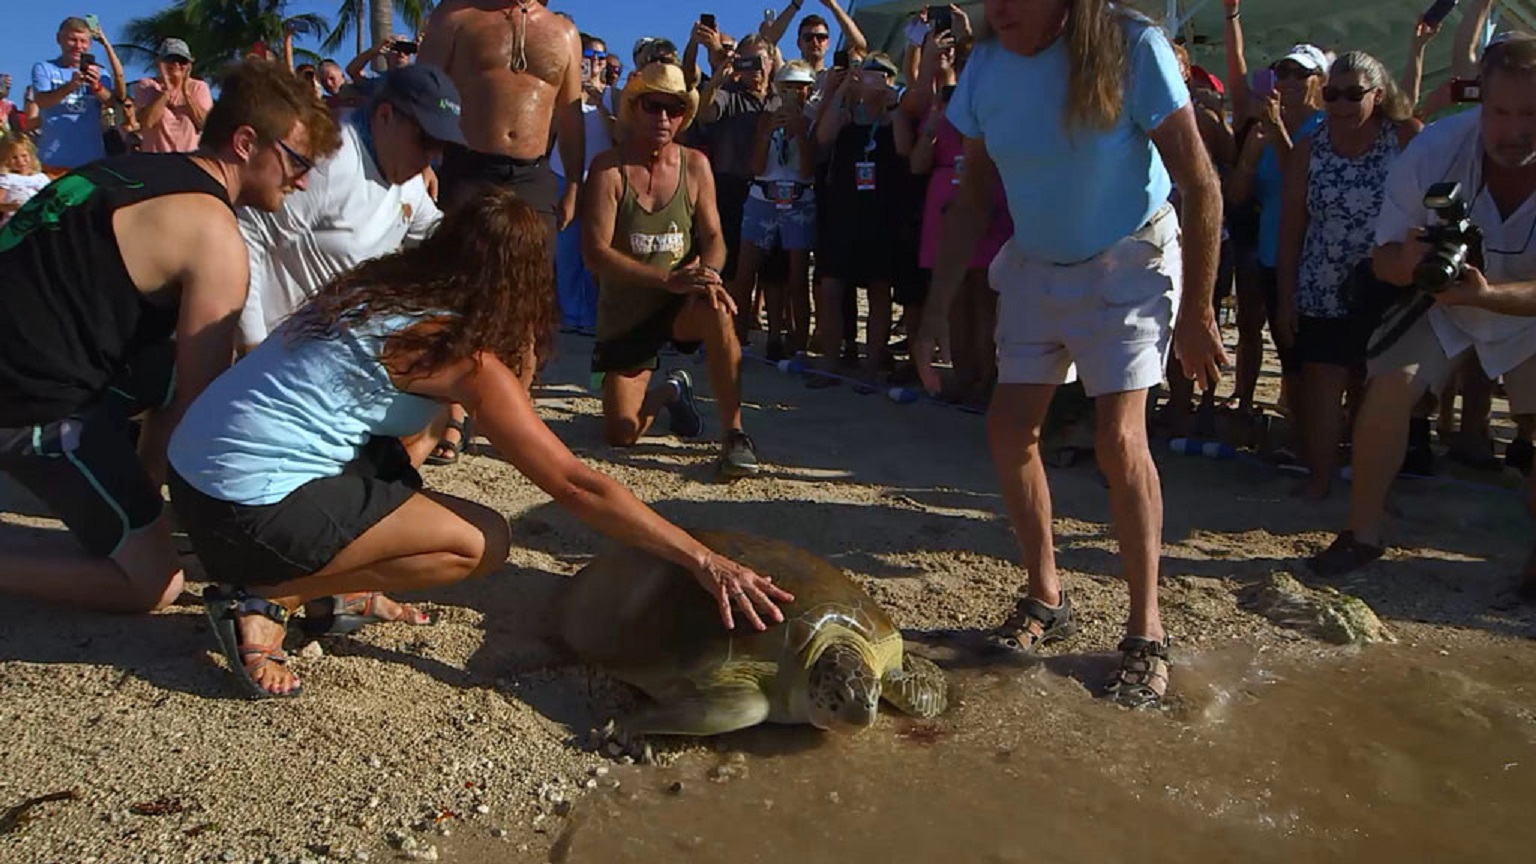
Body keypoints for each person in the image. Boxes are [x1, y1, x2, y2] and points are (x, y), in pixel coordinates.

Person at [167, 188, 793, 698]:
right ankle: (267, 595)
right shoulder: (456, 353)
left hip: (195, 479)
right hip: (243, 510)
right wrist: (705, 561)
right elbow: (574, 483)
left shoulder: (374, 287)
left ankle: (332, 583)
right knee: (481, 541)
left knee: (417, 437)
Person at [916, 0, 1225, 709]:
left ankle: (1146, 630)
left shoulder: (1130, 45)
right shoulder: (988, 64)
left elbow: (1201, 182)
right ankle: (1044, 593)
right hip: (1036, 259)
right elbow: (969, 199)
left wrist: (1199, 312)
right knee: (1007, 428)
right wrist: (933, 309)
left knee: (1120, 440)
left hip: (1131, 256)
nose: (1000, 7)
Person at [0, 61, 340, 613]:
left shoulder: (133, 170)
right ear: (246, 142)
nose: (301, 180)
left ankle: (139, 498)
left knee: (168, 365)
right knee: (156, 584)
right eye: (297, 162)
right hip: (28, 403)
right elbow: (202, 407)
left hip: (29, 355)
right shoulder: (213, 235)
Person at [1309, 36, 1536, 599]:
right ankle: (1363, 530)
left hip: (1520, 304)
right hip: (1439, 301)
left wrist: (1485, 296)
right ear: (1481, 101)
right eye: (1501, 112)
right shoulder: (1436, 150)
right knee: (1390, 385)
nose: (1514, 130)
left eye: (1532, 113)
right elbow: (1382, 259)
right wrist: (1410, 261)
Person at [582, 61, 761, 480]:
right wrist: (667, 278)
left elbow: (715, 237)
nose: (664, 117)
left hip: (681, 303)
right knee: (620, 435)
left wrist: (711, 273)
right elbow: (595, 253)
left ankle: (735, 434)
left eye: (674, 108)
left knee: (719, 309)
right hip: (628, 310)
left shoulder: (696, 165)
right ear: (634, 108)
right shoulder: (608, 169)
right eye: (653, 105)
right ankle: (670, 391)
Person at [1275, 52, 1420, 500]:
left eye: (1353, 94)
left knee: (1377, 386)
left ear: (1377, 95)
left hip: (1389, 281)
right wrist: (1285, 298)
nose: (1339, 104)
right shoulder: (1309, 148)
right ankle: (1320, 478)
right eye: (1333, 93)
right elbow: (1292, 226)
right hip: (1322, 279)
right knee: (1323, 379)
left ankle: (1368, 485)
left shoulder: (1405, 138)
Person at [419, 0, 584, 233]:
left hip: (532, 175)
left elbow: (571, 117)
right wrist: (423, 163)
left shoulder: (564, 32)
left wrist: (573, 183)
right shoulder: (456, 15)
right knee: (457, 265)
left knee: (533, 266)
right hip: (468, 170)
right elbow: (423, 89)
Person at [735, 61, 819, 361]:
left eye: (799, 86)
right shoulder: (766, 118)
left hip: (798, 198)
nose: (793, 92)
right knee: (745, 272)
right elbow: (756, 167)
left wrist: (801, 135)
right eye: (787, 86)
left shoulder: (813, 118)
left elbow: (810, 168)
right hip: (763, 196)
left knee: (798, 276)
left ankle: (798, 344)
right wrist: (767, 132)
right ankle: (737, 338)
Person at [31, 17, 118, 171]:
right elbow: (42, 101)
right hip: (52, 160)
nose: (78, 46)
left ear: (89, 44)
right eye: (72, 40)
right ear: (59, 39)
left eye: (83, 41)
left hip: (91, 159)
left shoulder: (101, 72)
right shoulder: (44, 68)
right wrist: (71, 86)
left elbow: (111, 103)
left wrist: (96, 86)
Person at [133, 38, 213, 154]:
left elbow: (205, 125)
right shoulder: (146, 85)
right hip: (155, 162)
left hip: (189, 163)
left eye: (182, 61)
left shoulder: (198, 87)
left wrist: (186, 94)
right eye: (171, 60)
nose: (176, 64)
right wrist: (166, 93)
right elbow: (147, 122)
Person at [0, 136, 49, 226]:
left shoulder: (40, 178)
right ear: (5, 160)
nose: (20, 161)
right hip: (15, 222)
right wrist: (11, 207)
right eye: (14, 158)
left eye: (24, 156)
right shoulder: (7, 178)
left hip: (37, 221)